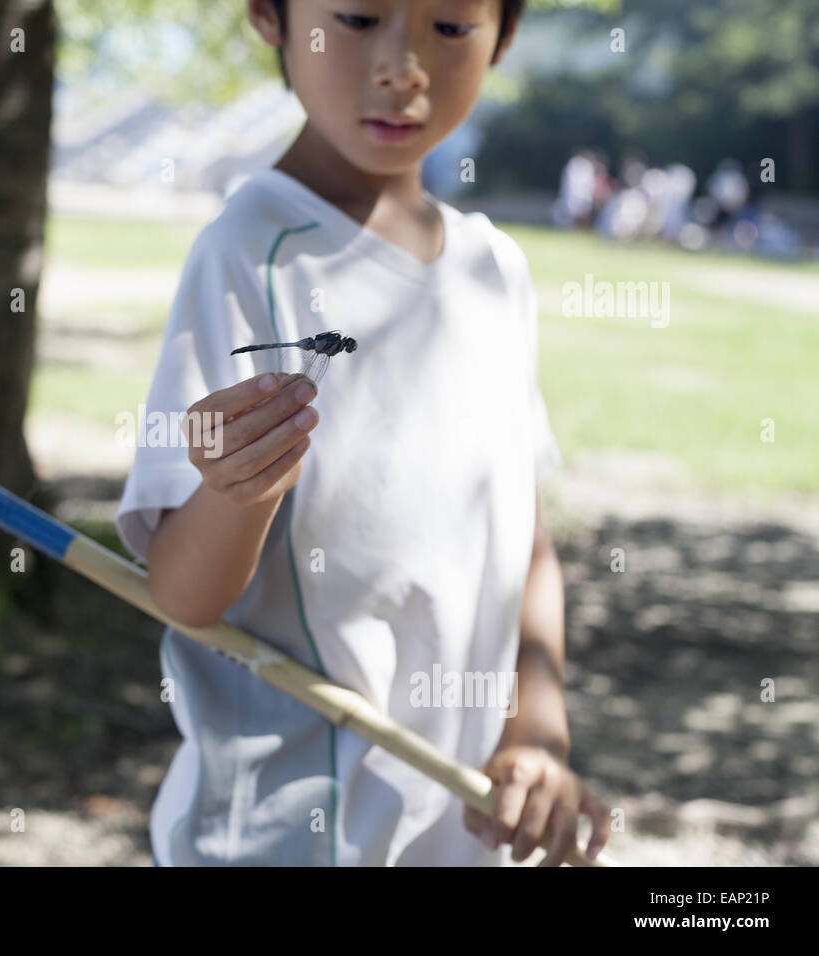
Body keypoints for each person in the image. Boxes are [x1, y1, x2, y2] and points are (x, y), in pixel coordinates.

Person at [115, 0, 610, 867]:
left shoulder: (498, 271)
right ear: (270, 18)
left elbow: (525, 544)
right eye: (355, 16)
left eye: (450, 28)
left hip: (456, 836)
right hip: (278, 840)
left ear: (506, 36)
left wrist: (538, 734)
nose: (403, 65)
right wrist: (238, 490)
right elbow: (185, 596)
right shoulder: (248, 251)